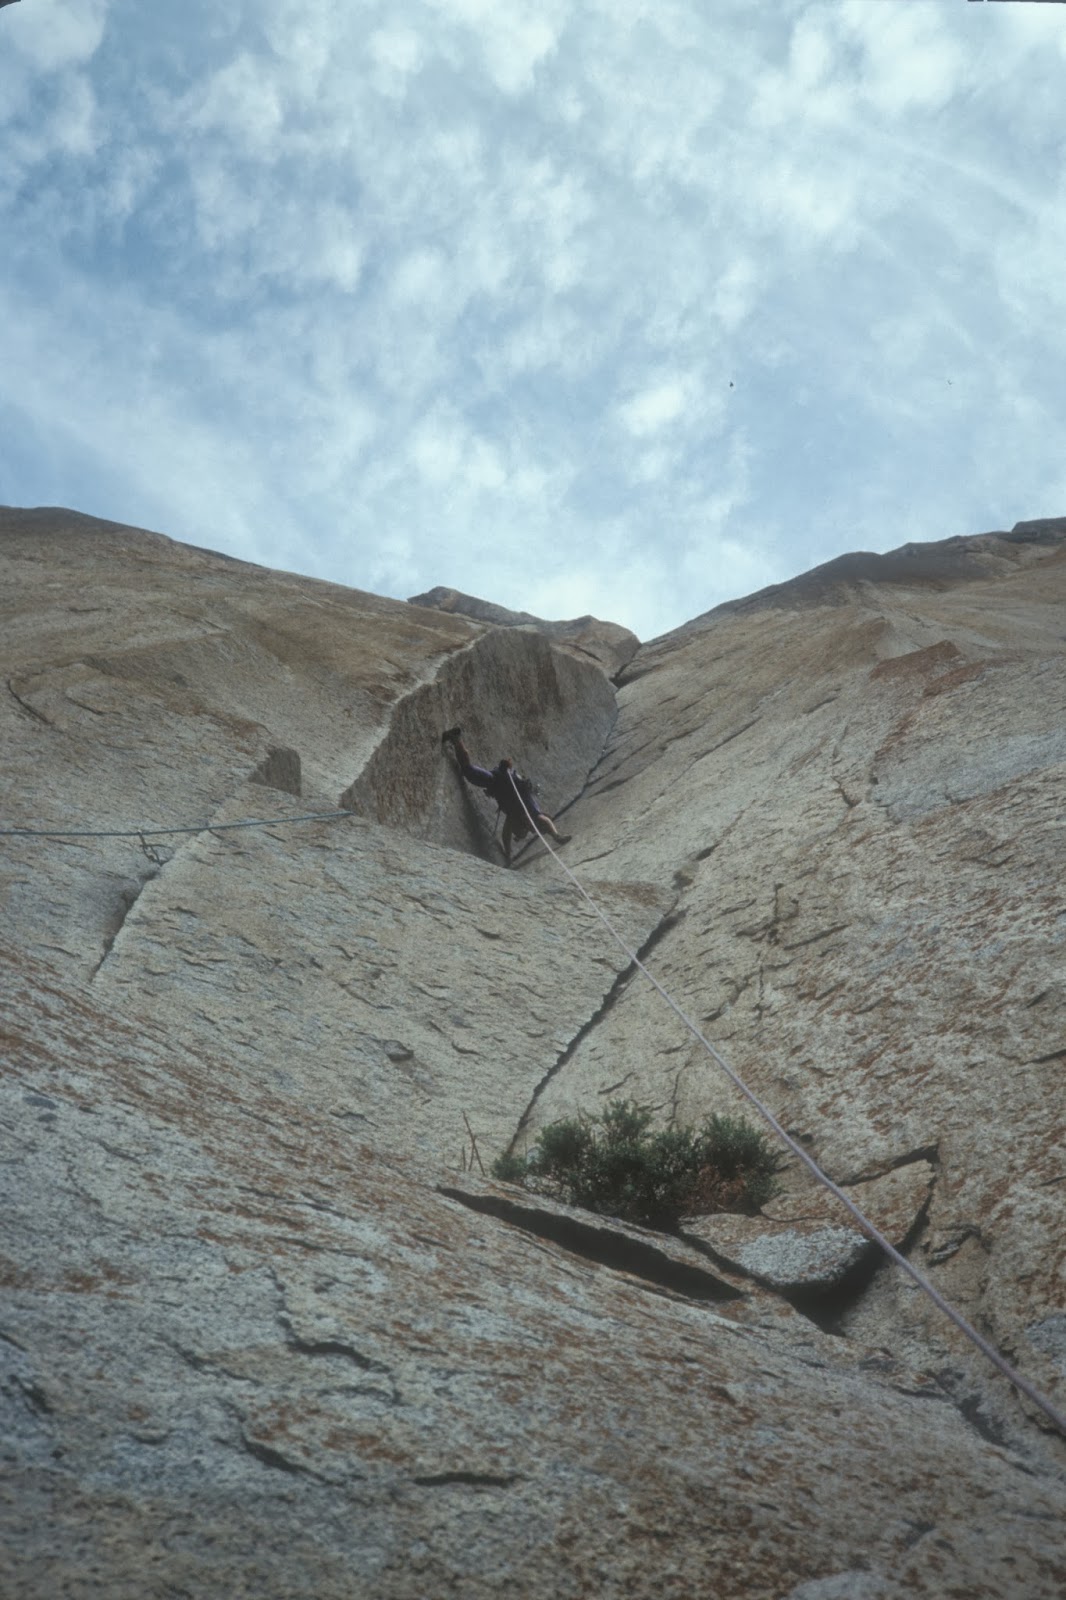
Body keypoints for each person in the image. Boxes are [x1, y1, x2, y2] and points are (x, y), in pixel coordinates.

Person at [441, 727, 571, 865]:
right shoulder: (531, 810)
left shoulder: (512, 818)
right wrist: (557, 836)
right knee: (468, 771)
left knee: (468, 770)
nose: (524, 828)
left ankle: (457, 740)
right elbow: (544, 820)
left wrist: (508, 856)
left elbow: (506, 836)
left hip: (495, 782)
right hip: (502, 779)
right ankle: (456, 739)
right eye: (522, 830)